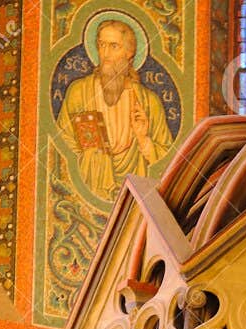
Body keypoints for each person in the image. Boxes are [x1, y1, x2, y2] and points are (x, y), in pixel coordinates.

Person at [58, 19, 173, 196]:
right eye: (102, 45)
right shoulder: (79, 92)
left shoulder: (149, 103)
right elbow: (61, 146)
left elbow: (169, 162)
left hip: (136, 193)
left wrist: (144, 140)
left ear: (129, 53)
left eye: (114, 46)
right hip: (88, 190)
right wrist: (90, 158)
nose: (105, 54)